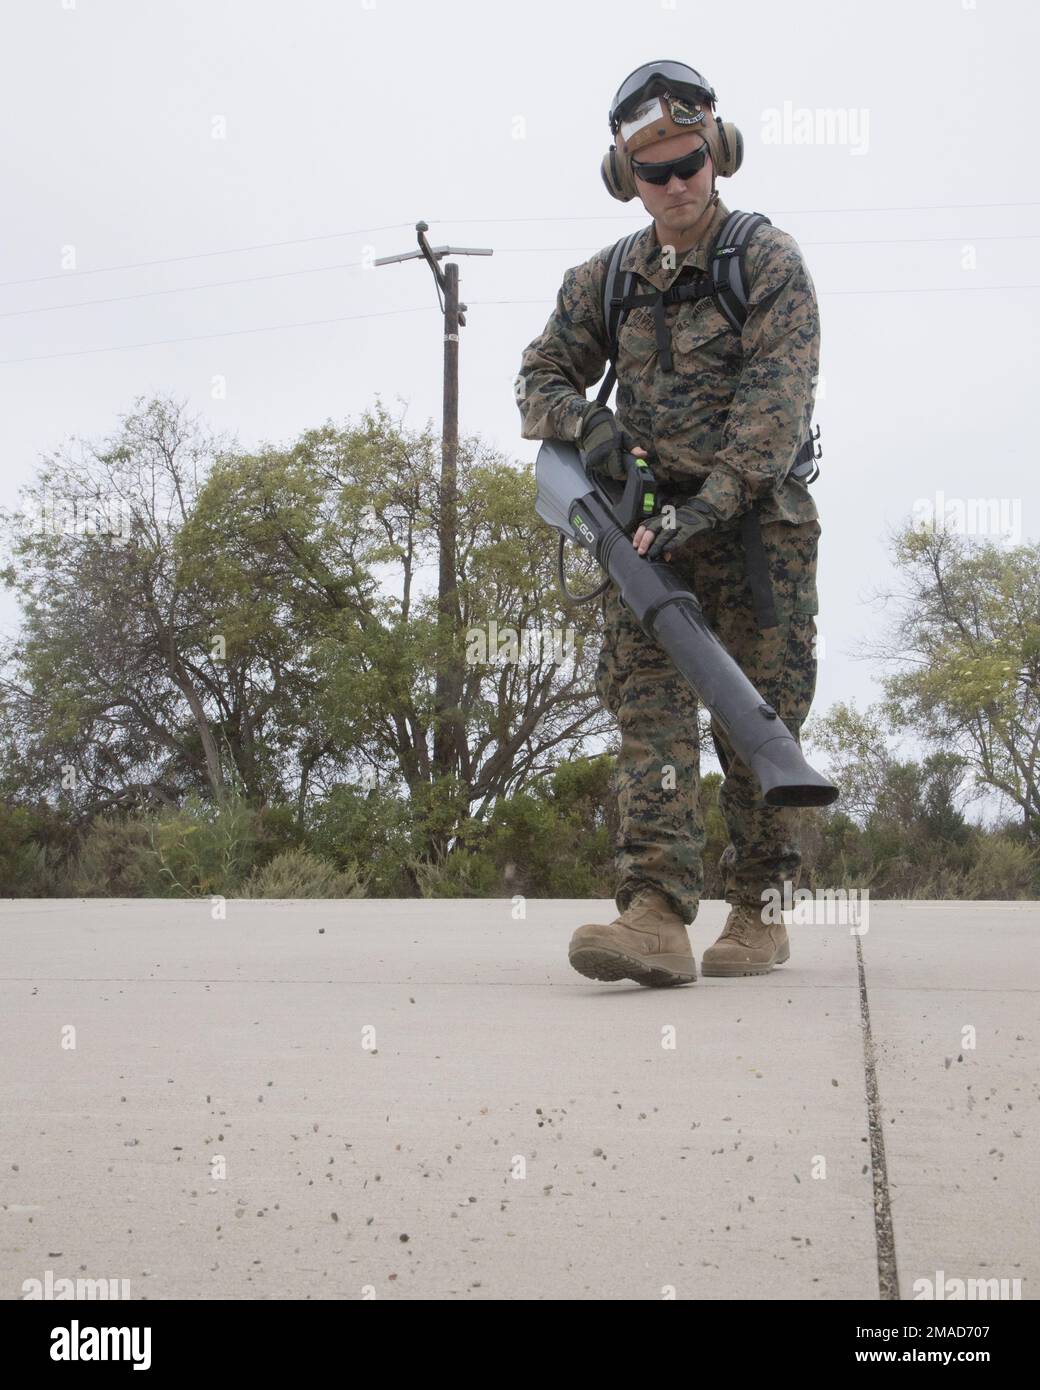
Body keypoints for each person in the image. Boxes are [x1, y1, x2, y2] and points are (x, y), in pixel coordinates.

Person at [514, 60, 822, 987]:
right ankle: (653, 912)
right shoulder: (604, 281)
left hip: (754, 529)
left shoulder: (765, 263)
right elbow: (537, 382)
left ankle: (760, 911)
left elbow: (776, 412)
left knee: (754, 725)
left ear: (716, 155)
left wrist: (705, 508)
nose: (677, 184)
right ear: (628, 180)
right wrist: (595, 432)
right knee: (648, 718)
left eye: (690, 162)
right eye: (656, 173)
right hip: (641, 534)